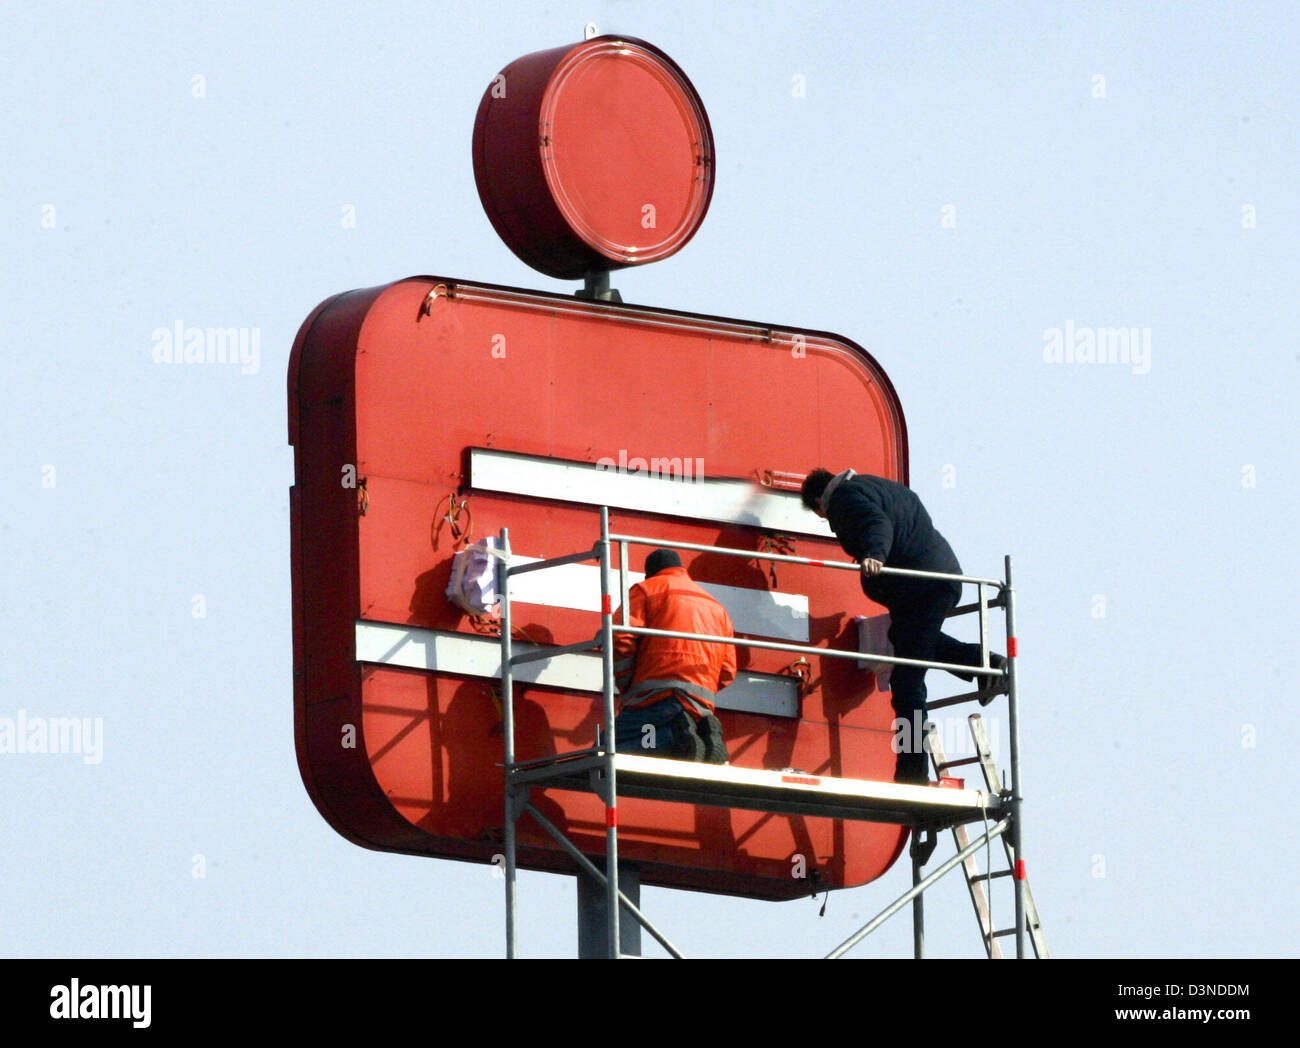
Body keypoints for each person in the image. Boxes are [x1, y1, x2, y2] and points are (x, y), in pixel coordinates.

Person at [801, 468, 1005, 785]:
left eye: (822, 517)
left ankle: (912, 772)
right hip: (936, 581)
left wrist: (873, 555)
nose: (828, 522)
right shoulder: (877, 486)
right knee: (906, 638)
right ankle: (985, 665)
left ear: (819, 501)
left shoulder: (842, 498)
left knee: (907, 683)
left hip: (921, 587)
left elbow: (875, 524)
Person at [611, 549, 736, 764]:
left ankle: (677, 736)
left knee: (610, 747)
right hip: (700, 705)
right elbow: (728, 670)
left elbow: (621, 637)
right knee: (648, 739)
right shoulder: (717, 608)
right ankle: (704, 739)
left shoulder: (646, 589)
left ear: (650, 573)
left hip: (655, 699)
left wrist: (625, 682)